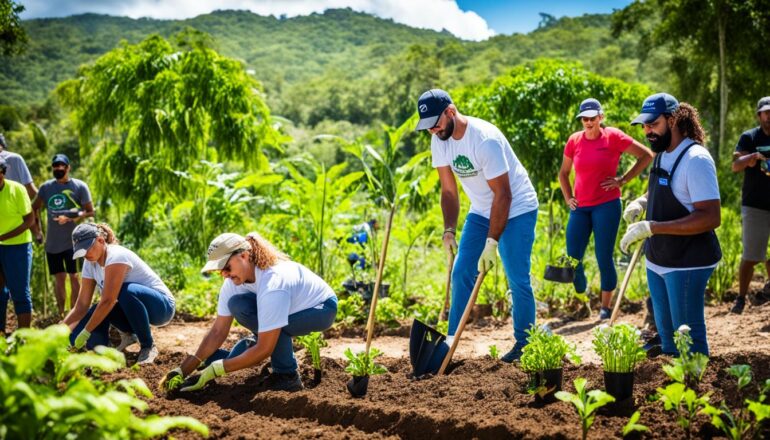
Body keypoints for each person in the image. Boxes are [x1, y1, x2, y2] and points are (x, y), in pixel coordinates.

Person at [415, 88, 539, 363]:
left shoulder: (485, 140)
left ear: (451, 111)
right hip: (482, 209)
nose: (433, 131)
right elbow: (448, 191)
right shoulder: (440, 139)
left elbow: (504, 195)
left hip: (516, 207)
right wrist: (449, 229)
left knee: (516, 277)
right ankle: (450, 343)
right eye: (427, 128)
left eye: (435, 124)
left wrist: (492, 243)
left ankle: (525, 344)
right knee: (461, 272)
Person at [159, 232, 337, 392]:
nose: (225, 275)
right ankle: (260, 347)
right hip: (288, 307)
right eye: (220, 271)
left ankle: (287, 376)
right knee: (238, 304)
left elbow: (264, 349)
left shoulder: (272, 283)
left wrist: (214, 371)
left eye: (227, 268)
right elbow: (218, 331)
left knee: (274, 330)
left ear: (244, 256)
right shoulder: (233, 283)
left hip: (320, 308)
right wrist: (184, 370)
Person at [621, 93, 721, 356]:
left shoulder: (695, 159)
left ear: (673, 119)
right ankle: (674, 391)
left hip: (688, 262)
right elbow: (668, 189)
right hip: (659, 258)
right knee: (666, 339)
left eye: (653, 124)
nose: (647, 131)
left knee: (688, 338)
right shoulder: (661, 153)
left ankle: (696, 392)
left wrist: (653, 227)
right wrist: (641, 202)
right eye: (644, 125)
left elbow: (711, 216)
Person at [558, 98, 653, 320]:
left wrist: (622, 180)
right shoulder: (574, 140)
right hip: (580, 208)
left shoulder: (613, 137)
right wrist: (568, 197)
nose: (589, 122)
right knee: (573, 257)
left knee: (603, 256)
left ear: (601, 117)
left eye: (593, 118)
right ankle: (582, 298)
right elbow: (563, 173)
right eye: (585, 119)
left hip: (606, 206)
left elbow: (646, 155)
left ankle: (605, 308)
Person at [62, 223, 175, 364]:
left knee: (122, 293)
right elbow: (81, 306)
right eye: (81, 252)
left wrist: (85, 332)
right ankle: (99, 356)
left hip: (161, 308)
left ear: (100, 240)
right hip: (132, 312)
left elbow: (109, 301)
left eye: (88, 248)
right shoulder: (89, 264)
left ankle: (148, 346)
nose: (86, 254)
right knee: (92, 314)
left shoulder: (116, 255)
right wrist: (59, 331)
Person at [33, 153, 95, 316]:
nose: (59, 169)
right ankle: (62, 314)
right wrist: (38, 232)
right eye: (55, 166)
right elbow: (35, 208)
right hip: (52, 244)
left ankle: (74, 314)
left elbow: (90, 212)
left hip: (73, 242)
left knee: (74, 277)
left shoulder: (79, 186)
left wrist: (71, 217)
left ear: (68, 168)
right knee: (59, 279)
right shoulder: (46, 188)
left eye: (62, 166)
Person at [729, 96, 770, 314]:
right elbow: (735, 165)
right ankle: (740, 298)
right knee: (752, 255)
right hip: (755, 204)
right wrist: (751, 158)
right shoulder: (749, 138)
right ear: (759, 115)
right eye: (767, 113)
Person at [0, 156, 34, 335]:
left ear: (3, 174)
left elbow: (29, 220)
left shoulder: (17, 190)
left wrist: (3, 236)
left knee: (20, 292)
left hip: (18, 246)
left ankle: (23, 337)